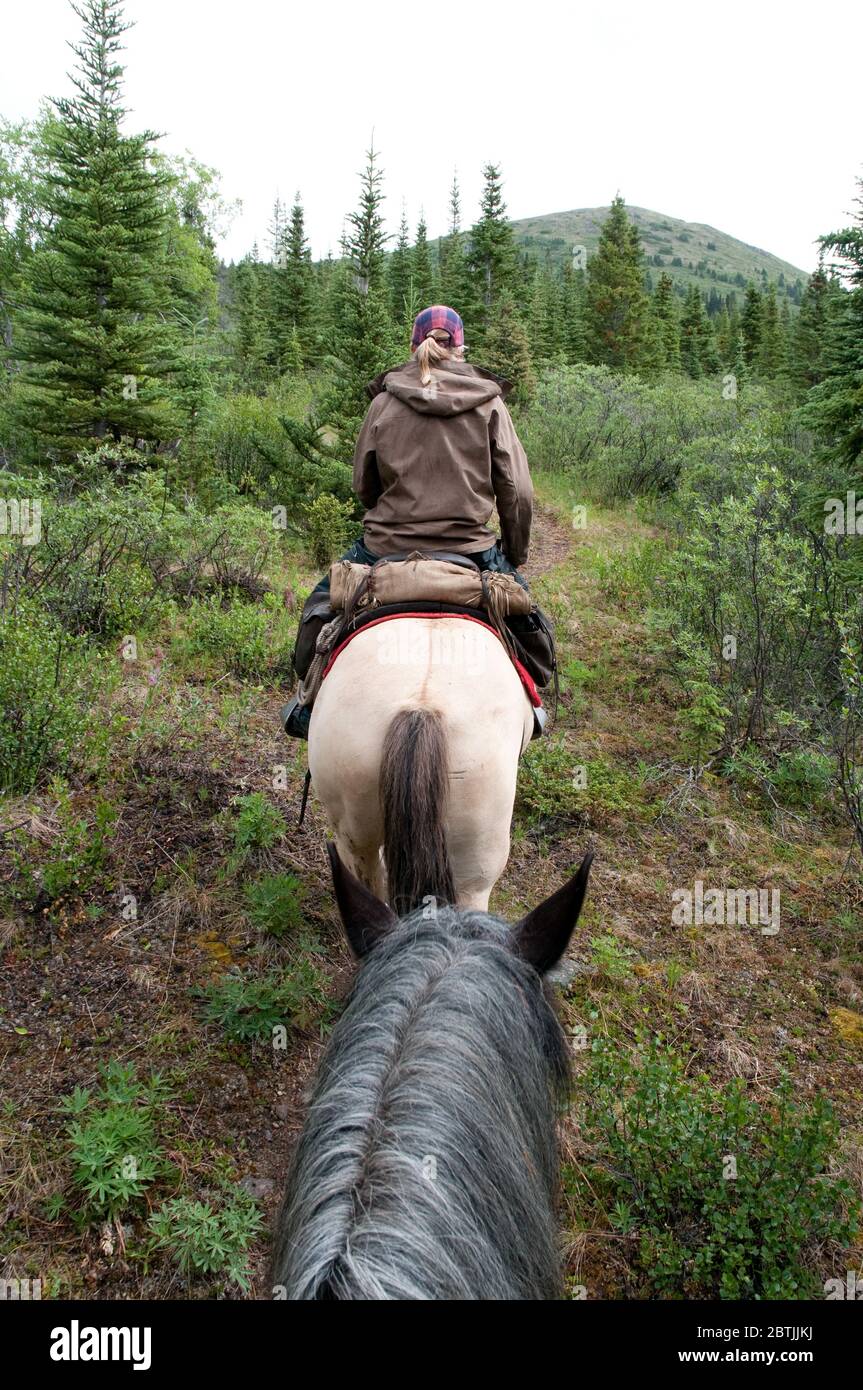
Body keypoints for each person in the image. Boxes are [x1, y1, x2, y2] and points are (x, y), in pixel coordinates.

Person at [284, 304, 542, 739]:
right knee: (536, 634)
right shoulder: (490, 403)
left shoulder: (385, 401)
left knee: (316, 615)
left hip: (385, 547)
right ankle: (532, 708)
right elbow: (518, 492)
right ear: (461, 349)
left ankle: (308, 704)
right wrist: (513, 557)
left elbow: (363, 485)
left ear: (412, 347)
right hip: (471, 551)